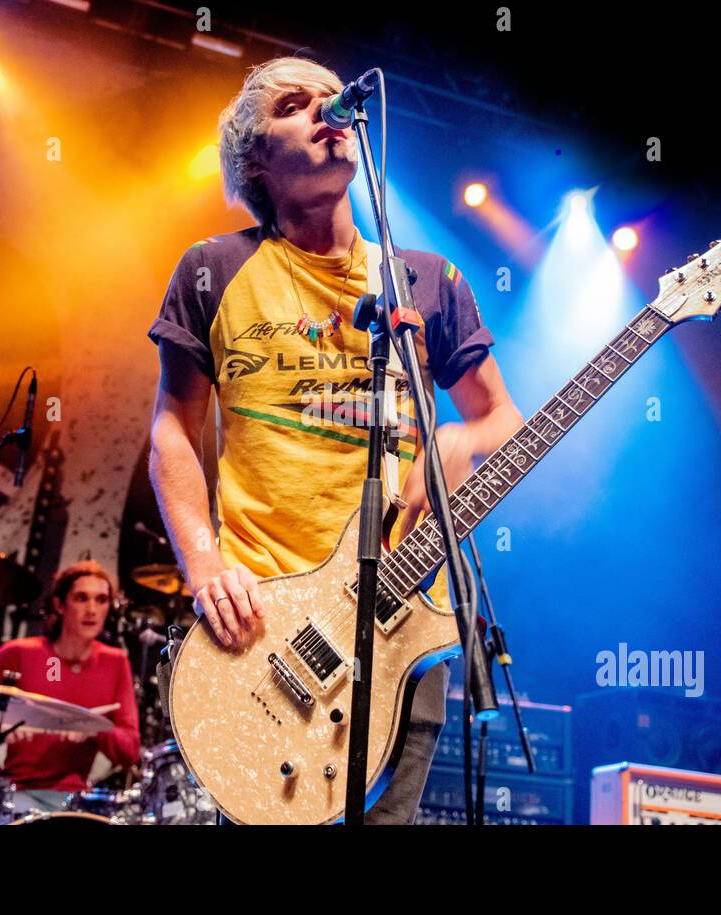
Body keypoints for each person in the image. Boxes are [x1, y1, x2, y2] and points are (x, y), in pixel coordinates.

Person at [147, 56, 524, 823]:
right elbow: (171, 433)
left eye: (334, 98)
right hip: (265, 636)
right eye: (297, 104)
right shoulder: (213, 271)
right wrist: (205, 564)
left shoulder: (426, 280)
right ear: (254, 156)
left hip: (401, 625)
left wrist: (461, 445)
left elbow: (503, 421)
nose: (329, 112)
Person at [0, 560, 141, 813]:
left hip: (74, 801)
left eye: (101, 600)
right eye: (81, 598)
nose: (92, 609)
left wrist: (94, 728)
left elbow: (131, 750)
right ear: (59, 604)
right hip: (15, 795)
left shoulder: (115, 662)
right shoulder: (20, 652)